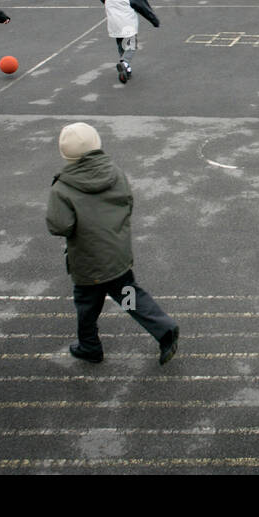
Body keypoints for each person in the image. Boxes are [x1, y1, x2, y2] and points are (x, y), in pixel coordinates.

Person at [45, 122, 179, 366]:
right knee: (129, 295)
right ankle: (164, 329)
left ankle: (90, 346)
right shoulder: (115, 172)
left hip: (87, 263)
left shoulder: (63, 187)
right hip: (117, 255)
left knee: (87, 305)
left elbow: (59, 226)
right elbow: (128, 202)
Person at [94, 0, 159, 85]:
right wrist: (154, 20)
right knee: (131, 45)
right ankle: (124, 63)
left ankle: (126, 69)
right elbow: (144, 8)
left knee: (121, 46)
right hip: (128, 25)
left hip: (114, 25)